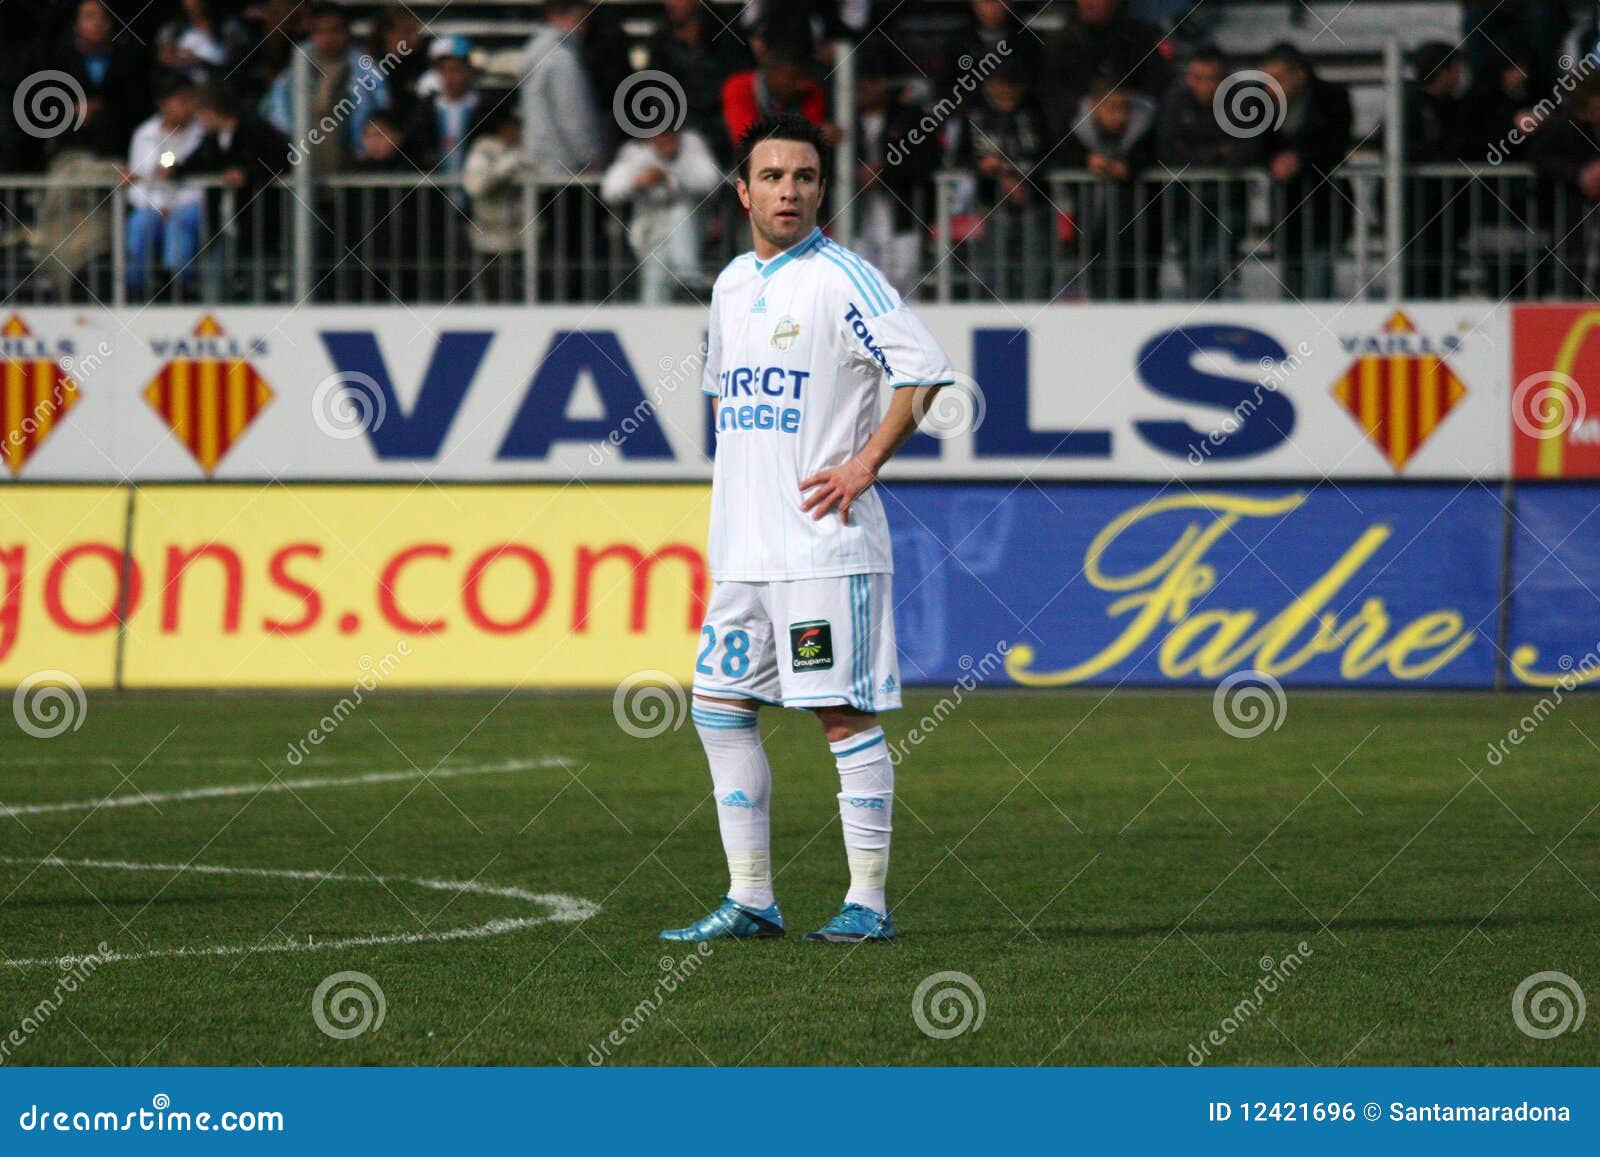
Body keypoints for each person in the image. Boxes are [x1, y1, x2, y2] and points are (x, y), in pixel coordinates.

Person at [660, 114, 955, 944]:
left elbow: (925, 372)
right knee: (718, 707)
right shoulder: (726, 285)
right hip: (744, 554)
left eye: (805, 177)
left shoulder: (843, 278)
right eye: (774, 176)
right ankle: (752, 898)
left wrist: (863, 464)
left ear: (821, 191)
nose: (789, 190)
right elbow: (732, 404)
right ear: (743, 190)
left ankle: (868, 902)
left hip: (824, 547)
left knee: (839, 714)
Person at [1157, 46, 1258, 297]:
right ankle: (1202, 323)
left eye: (1211, 78)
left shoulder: (1243, 103)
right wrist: (1216, 153)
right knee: (1192, 269)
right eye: (1197, 78)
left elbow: (1243, 154)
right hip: (1185, 202)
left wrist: (1193, 153)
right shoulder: (1175, 102)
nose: (1204, 85)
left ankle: (1205, 323)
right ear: (1189, 77)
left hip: (1228, 202)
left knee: (1210, 267)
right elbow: (1166, 152)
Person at [1258, 42, 1351, 299]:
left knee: (1318, 283)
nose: (1269, 87)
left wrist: (1300, 159)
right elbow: (1253, 148)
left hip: (1325, 206)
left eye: (1276, 79)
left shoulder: (1333, 98)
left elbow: (1335, 144)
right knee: (1290, 286)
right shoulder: (1261, 104)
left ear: (1299, 75)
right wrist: (1272, 161)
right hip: (1287, 209)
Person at [1063, 75, 1161, 299]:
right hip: (1094, 229)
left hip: (1141, 233)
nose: (1120, 115)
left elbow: (1160, 154)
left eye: (1124, 107)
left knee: (1141, 293)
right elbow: (1057, 157)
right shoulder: (1076, 131)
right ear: (1094, 106)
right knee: (1099, 291)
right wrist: (1086, 161)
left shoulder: (1147, 127)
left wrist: (1131, 168)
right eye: (1112, 107)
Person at [600, 124, 721, 303]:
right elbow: (609, 190)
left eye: (670, 136)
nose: (667, 144)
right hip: (651, 234)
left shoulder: (692, 145)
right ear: (650, 138)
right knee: (654, 287)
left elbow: (710, 180)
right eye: (660, 138)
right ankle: (684, 287)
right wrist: (637, 182)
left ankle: (687, 279)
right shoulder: (636, 153)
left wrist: (671, 179)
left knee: (680, 213)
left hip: (693, 229)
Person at [262, 2, 389, 172]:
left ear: (347, 32)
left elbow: (381, 110)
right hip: (302, 171)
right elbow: (275, 116)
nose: (328, 38)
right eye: (320, 31)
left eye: (335, 30)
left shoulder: (367, 71)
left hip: (352, 169)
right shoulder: (293, 72)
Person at [1039, 0, 1170, 140]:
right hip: (1073, 138)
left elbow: (1154, 86)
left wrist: (1122, 108)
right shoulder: (1060, 42)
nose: (1088, 3)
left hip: (1135, 135)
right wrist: (1093, 110)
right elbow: (1051, 94)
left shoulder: (1138, 36)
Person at [124, 73, 205, 297]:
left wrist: (174, 206)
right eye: (182, 101)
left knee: (181, 222)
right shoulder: (144, 134)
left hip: (190, 204)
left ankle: (178, 286)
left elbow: (202, 183)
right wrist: (160, 206)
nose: (189, 107)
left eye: (192, 100)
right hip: (153, 204)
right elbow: (138, 181)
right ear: (163, 104)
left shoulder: (203, 133)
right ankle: (136, 288)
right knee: (140, 223)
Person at [462, 104, 530, 300]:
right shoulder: (483, 150)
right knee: (495, 297)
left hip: (524, 241)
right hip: (490, 242)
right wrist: (503, 168)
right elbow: (474, 186)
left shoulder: (526, 149)